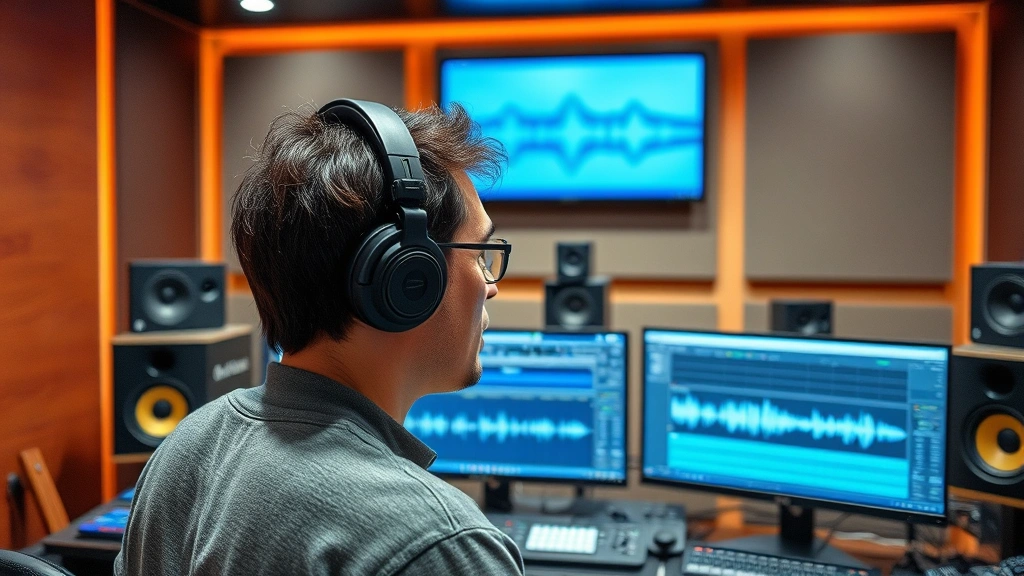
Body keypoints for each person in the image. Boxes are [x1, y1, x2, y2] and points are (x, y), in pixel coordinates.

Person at [114, 99, 523, 575]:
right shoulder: (437, 543)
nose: (491, 285)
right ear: (408, 278)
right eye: (480, 253)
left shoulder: (189, 446)